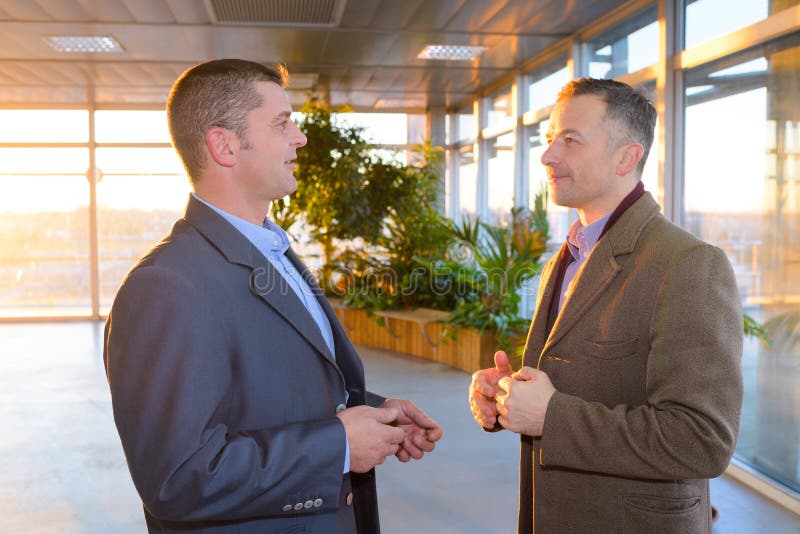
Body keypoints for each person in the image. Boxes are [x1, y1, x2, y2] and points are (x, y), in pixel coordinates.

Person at [104, 58, 443, 534]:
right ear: (224, 145)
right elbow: (177, 478)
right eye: (282, 123)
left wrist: (372, 415)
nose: (300, 138)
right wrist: (339, 446)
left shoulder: (272, 251)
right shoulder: (164, 287)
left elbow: (274, 392)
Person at [468, 77, 743, 533]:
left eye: (570, 140)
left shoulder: (690, 264)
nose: (548, 155)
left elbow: (702, 441)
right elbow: (580, 382)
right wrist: (505, 397)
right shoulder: (568, 255)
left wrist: (551, 415)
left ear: (626, 157)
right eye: (550, 138)